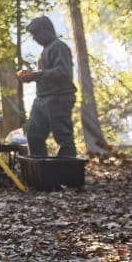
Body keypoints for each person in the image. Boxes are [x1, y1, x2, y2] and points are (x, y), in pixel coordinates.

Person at [19, 15, 77, 158]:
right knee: (33, 134)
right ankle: (42, 172)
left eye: (36, 34)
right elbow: (46, 74)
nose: (34, 38)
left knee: (63, 138)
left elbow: (63, 72)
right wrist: (31, 77)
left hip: (58, 98)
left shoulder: (59, 47)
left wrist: (36, 75)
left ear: (46, 31)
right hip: (42, 100)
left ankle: (69, 173)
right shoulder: (46, 50)